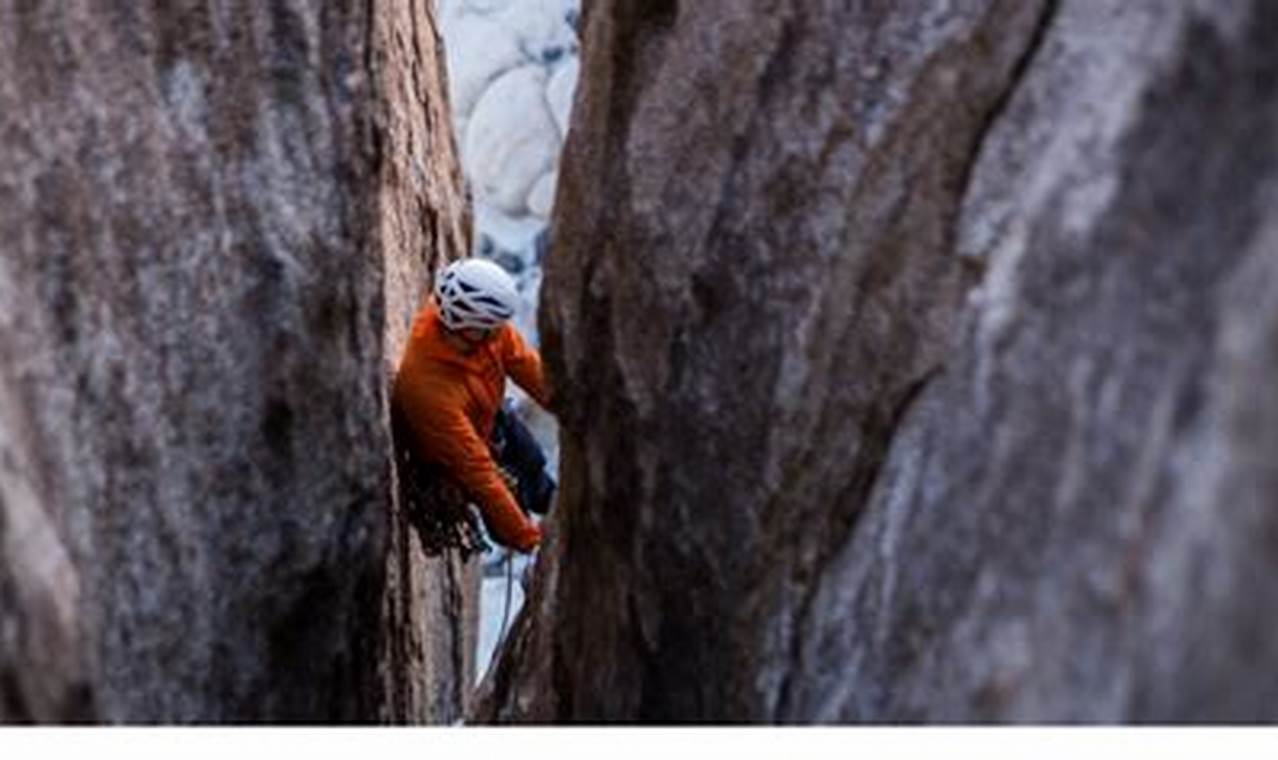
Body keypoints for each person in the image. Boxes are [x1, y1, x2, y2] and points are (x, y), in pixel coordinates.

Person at [393, 257, 555, 554]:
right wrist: (527, 538)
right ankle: (522, 533)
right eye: (490, 328)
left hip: (489, 418)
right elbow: (477, 471)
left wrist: (575, 410)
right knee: (507, 501)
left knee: (531, 461)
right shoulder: (428, 389)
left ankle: (551, 501)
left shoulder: (484, 332)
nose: (499, 333)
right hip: (456, 456)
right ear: (466, 324)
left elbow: (527, 366)